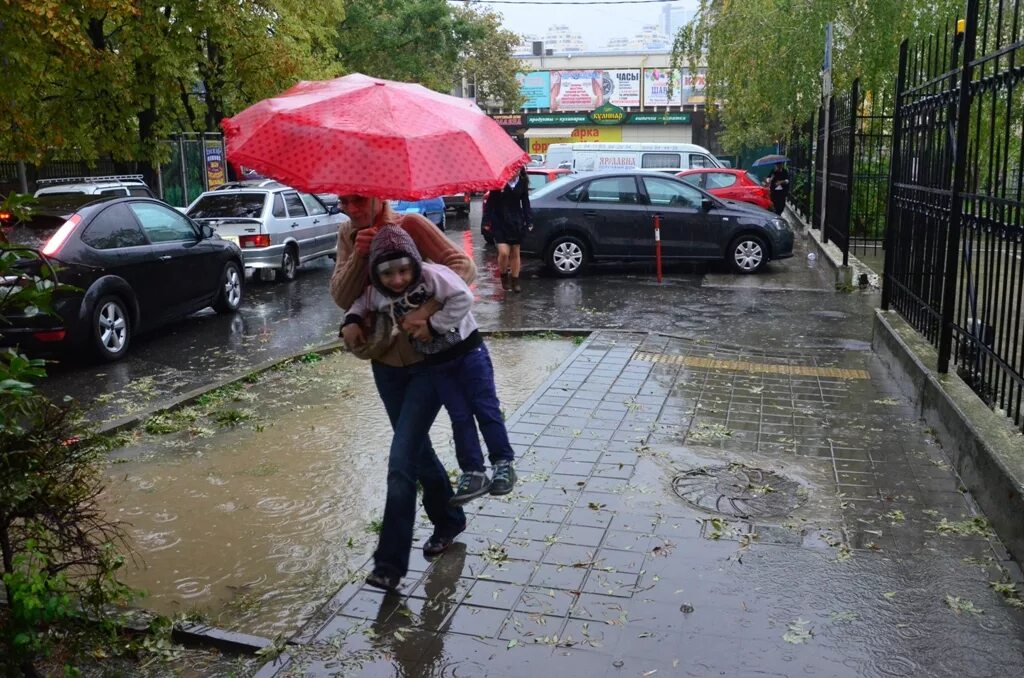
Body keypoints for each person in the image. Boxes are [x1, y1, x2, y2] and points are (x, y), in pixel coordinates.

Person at [330, 195, 473, 592]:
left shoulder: (411, 226)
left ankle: (389, 564)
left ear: (377, 195)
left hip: (430, 362)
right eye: (342, 200)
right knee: (414, 449)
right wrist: (359, 257)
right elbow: (343, 297)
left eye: (356, 200)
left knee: (401, 459)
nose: (348, 207)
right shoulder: (348, 234)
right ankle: (449, 519)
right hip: (385, 364)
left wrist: (425, 311)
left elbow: (464, 267)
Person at [345, 225, 517, 508]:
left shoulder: (433, 275)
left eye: (403, 270)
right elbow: (361, 302)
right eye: (387, 274)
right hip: (437, 365)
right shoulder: (380, 293)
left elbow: (464, 296)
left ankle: (503, 463)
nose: (397, 280)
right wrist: (351, 321)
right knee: (459, 416)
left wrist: (432, 325)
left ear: (414, 262)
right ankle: (473, 471)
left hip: (468, 353)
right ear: (377, 275)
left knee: (484, 408)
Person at [482, 166, 531, 293]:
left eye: (518, 170)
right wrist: (486, 221)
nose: (515, 172)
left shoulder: (523, 182)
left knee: (515, 251)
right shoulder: (499, 182)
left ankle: (515, 281)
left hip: (516, 221)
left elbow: (525, 202)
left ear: (520, 171)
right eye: (513, 170)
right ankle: (503, 276)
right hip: (500, 220)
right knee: (504, 253)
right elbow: (490, 203)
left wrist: (529, 220)